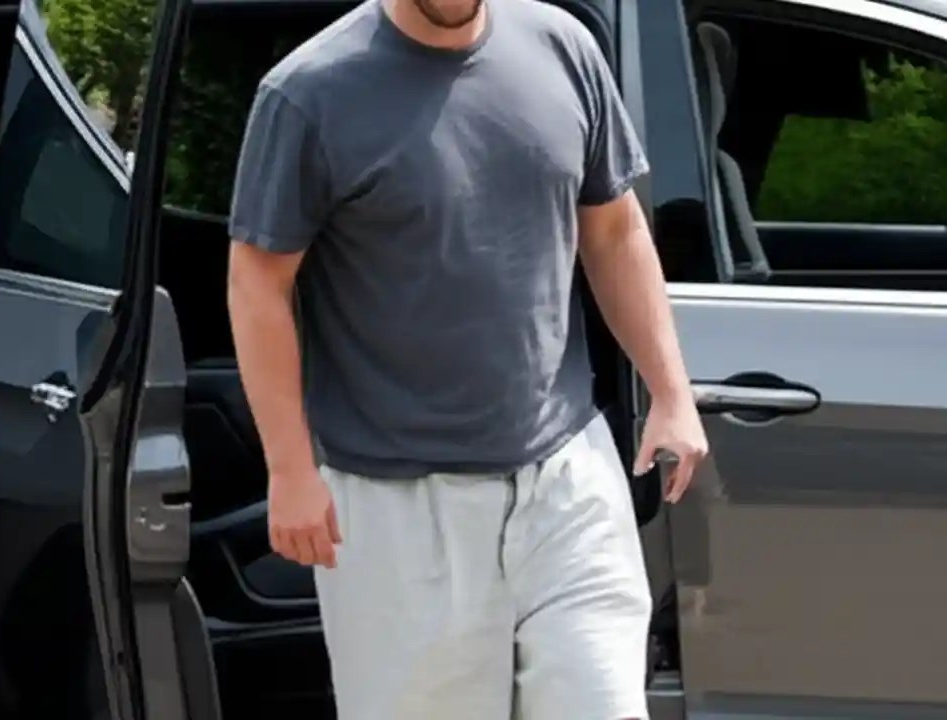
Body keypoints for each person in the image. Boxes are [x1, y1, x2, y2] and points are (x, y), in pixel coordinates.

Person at [225, 0, 708, 716]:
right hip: (398, 506)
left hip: (568, 477)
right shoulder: (308, 93)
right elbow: (258, 283)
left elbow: (613, 229)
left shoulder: (562, 46)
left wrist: (671, 391)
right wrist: (290, 468)